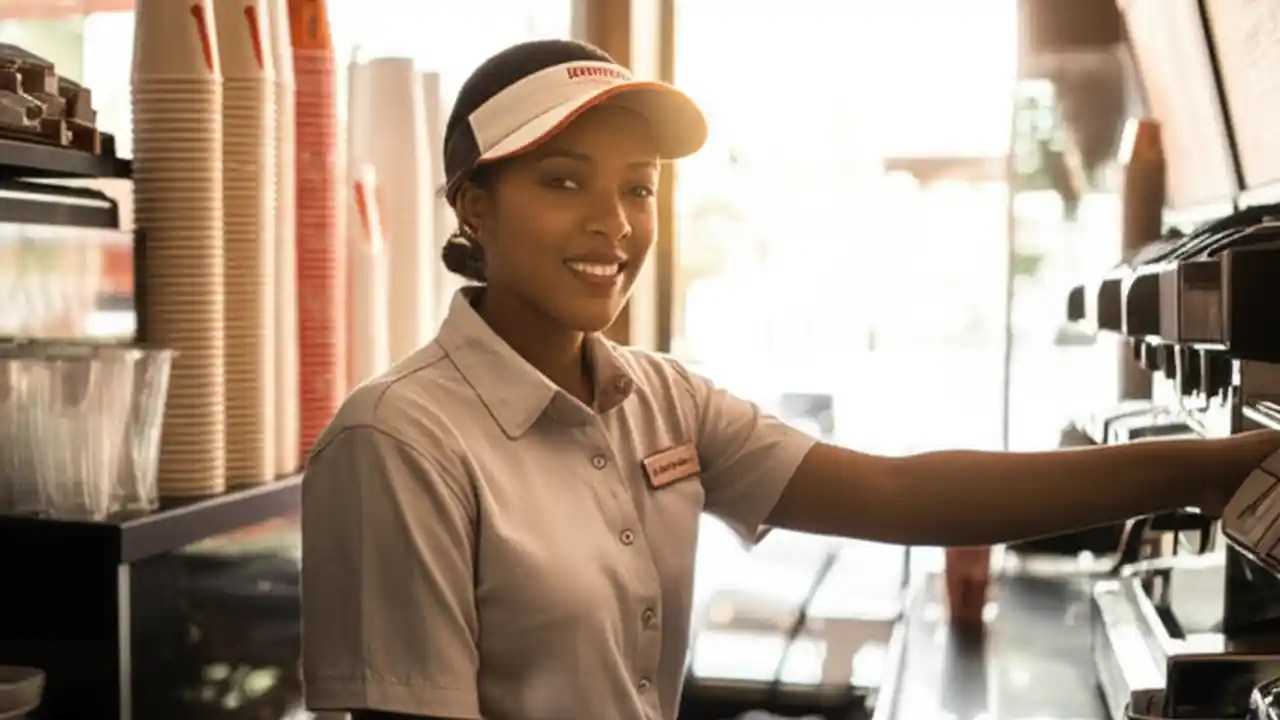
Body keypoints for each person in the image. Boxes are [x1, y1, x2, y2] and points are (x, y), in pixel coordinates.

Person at [299, 38, 1280, 720]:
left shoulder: (660, 400)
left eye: (636, 187)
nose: (615, 224)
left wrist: (1211, 467)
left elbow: (902, 493)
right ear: (472, 203)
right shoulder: (399, 442)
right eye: (563, 182)